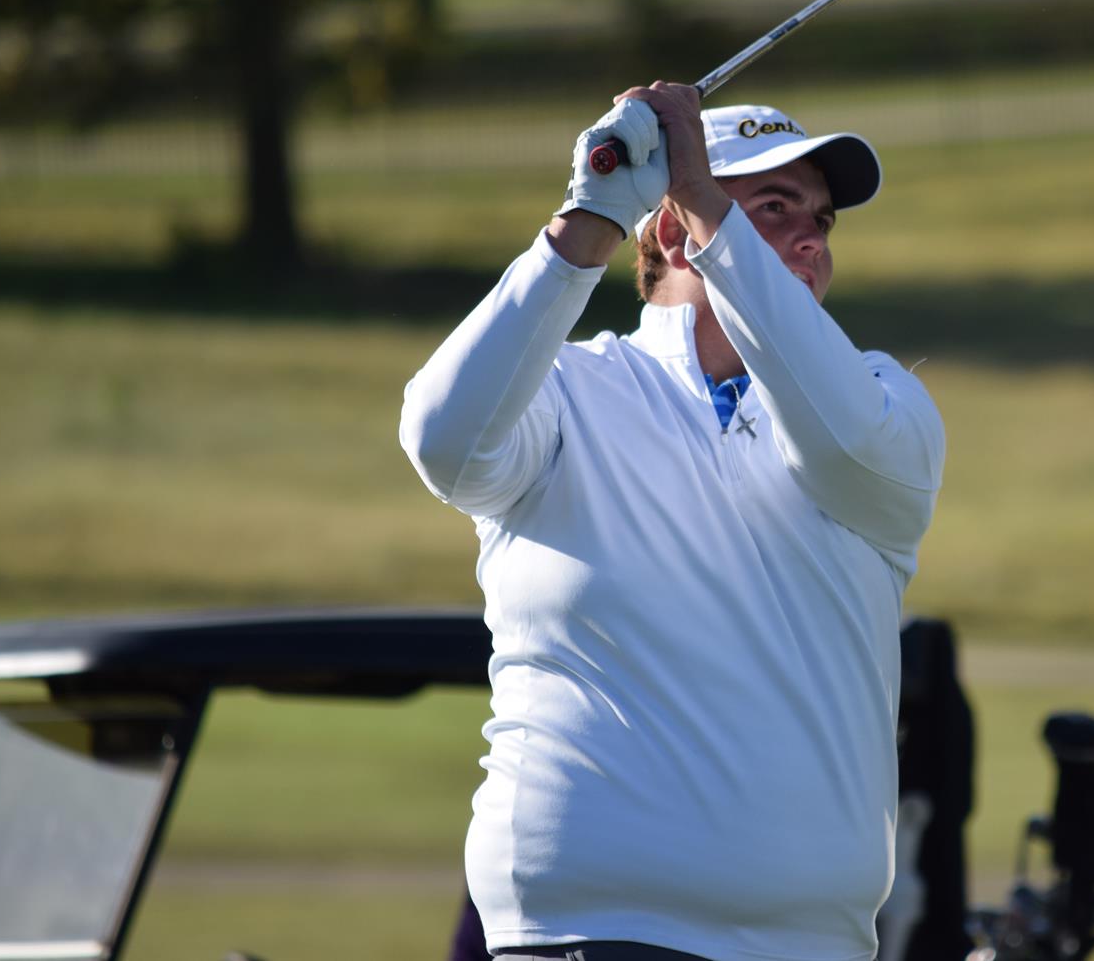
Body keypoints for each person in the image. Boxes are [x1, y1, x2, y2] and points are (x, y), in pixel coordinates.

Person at [400, 81, 946, 961]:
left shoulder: (883, 399)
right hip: (579, 934)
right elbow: (441, 439)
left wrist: (709, 209)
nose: (810, 235)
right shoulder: (567, 390)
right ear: (666, 229)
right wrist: (585, 221)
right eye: (773, 207)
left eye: (821, 219)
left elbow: (841, 445)